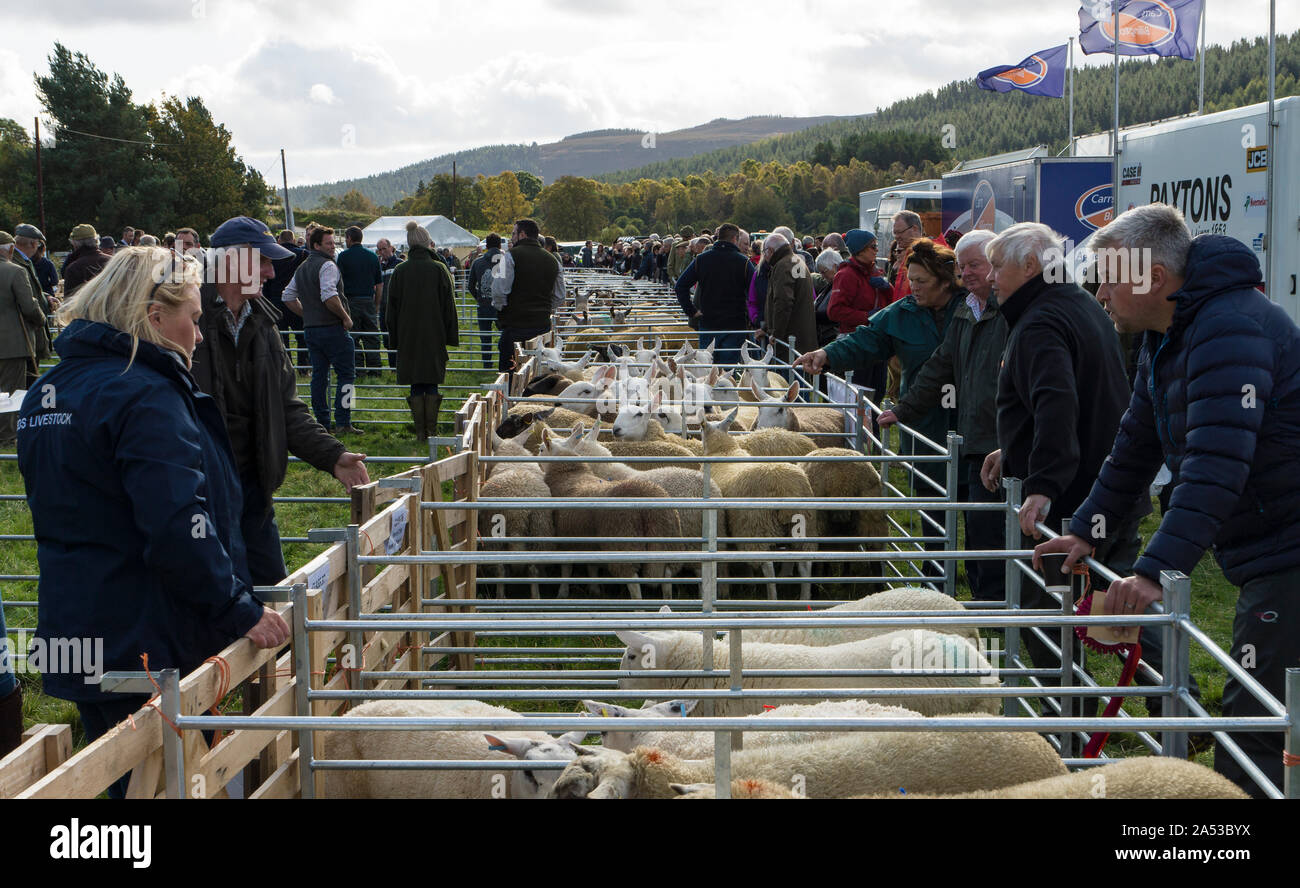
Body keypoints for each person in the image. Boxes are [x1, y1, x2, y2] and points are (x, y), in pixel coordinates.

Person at [1033, 205, 1298, 797]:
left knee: (1254, 708)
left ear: (1152, 277)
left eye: (1107, 276)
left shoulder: (1229, 328)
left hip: (1288, 547)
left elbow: (1217, 461)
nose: (1099, 292)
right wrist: (1087, 531)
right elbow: (1135, 444)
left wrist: (1155, 570)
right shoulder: (1171, 335)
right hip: (1270, 541)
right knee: (1266, 695)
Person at [16, 246, 289, 797]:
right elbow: (175, 522)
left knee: (123, 776)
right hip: (148, 632)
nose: (200, 334)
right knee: (172, 779)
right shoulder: (145, 394)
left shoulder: (52, 391)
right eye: (192, 318)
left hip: (82, 621)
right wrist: (235, 607)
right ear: (153, 316)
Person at [977, 221, 1157, 720]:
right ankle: (1174, 705)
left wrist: (1042, 486)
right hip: (1109, 488)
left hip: (1073, 503)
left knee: (1046, 615)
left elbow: (1057, 404)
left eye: (997, 265)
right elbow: (1056, 404)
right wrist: (1009, 450)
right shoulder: (1077, 305)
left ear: (1030, 266)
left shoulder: (1039, 321)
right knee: (1117, 599)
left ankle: (1070, 728)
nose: (992, 277)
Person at [191, 216, 369, 586]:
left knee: (271, 591)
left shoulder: (262, 324)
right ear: (231, 262)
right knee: (218, 601)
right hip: (199, 493)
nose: (271, 273)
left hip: (253, 484)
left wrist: (332, 455)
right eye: (263, 262)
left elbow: (286, 405)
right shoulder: (185, 322)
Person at [794, 239, 963, 577]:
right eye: (910, 280)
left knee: (978, 506)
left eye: (922, 282)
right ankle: (937, 574)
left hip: (974, 419)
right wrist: (827, 355)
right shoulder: (902, 314)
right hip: (925, 420)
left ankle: (988, 583)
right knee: (932, 499)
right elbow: (866, 339)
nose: (913, 288)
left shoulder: (971, 309)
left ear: (946, 280)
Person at [878, 229, 1006, 602]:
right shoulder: (969, 309)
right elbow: (939, 365)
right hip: (971, 433)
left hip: (1000, 436)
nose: (967, 273)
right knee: (972, 520)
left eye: (975, 265)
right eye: (963, 266)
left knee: (992, 523)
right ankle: (976, 598)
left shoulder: (1008, 312)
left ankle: (998, 604)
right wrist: (904, 409)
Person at [282, 226, 360, 433]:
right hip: (333, 328)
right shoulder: (328, 266)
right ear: (316, 245)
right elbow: (329, 295)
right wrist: (345, 317)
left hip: (311, 330)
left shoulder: (302, 267)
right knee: (347, 376)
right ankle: (344, 421)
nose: (333, 247)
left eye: (333, 243)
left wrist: (307, 314)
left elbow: (288, 296)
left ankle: (322, 421)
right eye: (329, 243)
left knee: (319, 376)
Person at [388, 221, 459, 444]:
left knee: (416, 381)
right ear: (428, 243)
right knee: (431, 380)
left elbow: (391, 309)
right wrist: (450, 335)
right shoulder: (439, 269)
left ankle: (421, 433)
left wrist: (394, 338)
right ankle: (432, 431)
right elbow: (450, 306)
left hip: (408, 335)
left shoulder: (400, 270)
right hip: (434, 333)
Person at [674, 222, 755, 366]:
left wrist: (691, 310)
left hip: (708, 323)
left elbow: (680, 285)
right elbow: (754, 294)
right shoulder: (743, 262)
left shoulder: (702, 259)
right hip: (734, 325)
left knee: (706, 369)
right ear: (735, 239)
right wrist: (752, 317)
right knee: (727, 370)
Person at [492, 218, 562, 373]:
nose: (511, 237)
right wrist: (544, 309)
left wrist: (504, 310)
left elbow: (498, 291)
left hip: (515, 327)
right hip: (542, 328)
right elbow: (560, 296)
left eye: (513, 233)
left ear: (522, 234)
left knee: (511, 376)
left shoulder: (510, 256)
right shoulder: (553, 261)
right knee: (540, 373)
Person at [0, 231, 49, 442]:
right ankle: (7, 435)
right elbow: (29, 307)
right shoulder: (15, 271)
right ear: (10, 249)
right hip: (11, 341)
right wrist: (42, 320)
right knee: (10, 390)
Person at [760, 232, 817, 362]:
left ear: (770, 250)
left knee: (788, 380)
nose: (764, 256)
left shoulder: (782, 265)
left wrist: (776, 333)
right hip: (803, 335)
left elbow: (783, 301)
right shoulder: (796, 260)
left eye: (764, 252)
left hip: (789, 338)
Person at [336, 226, 384, 378]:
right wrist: (376, 304)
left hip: (350, 302)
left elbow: (338, 282)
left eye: (346, 238)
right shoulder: (372, 257)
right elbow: (379, 284)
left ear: (350, 238)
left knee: (353, 336)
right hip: (368, 299)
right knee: (372, 336)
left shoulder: (343, 257)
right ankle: (375, 370)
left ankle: (358, 370)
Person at [261, 229, 309, 373]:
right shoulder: (303, 255)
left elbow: (268, 283)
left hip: (276, 301)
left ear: (279, 241)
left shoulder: (273, 256)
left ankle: (286, 367)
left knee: (282, 338)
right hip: (296, 301)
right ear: (293, 240)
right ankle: (304, 368)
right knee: (302, 336)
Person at [468, 233, 504, 369]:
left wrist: (480, 297)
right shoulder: (506, 261)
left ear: (486, 246)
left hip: (483, 304)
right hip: (501, 305)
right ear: (500, 245)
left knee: (485, 336)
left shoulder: (478, 262)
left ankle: (487, 364)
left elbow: (470, 286)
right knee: (505, 334)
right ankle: (504, 362)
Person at [61, 223, 111, 298]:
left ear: (75, 243)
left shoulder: (73, 269)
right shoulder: (113, 261)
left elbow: (69, 305)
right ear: (96, 240)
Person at [376, 237, 401, 369]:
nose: (382, 252)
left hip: (398, 308)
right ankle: (393, 367)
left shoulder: (399, 264)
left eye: (384, 249)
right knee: (387, 338)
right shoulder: (379, 266)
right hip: (384, 308)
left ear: (391, 248)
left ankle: (401, 366)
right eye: (379, 250)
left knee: (399, 337)